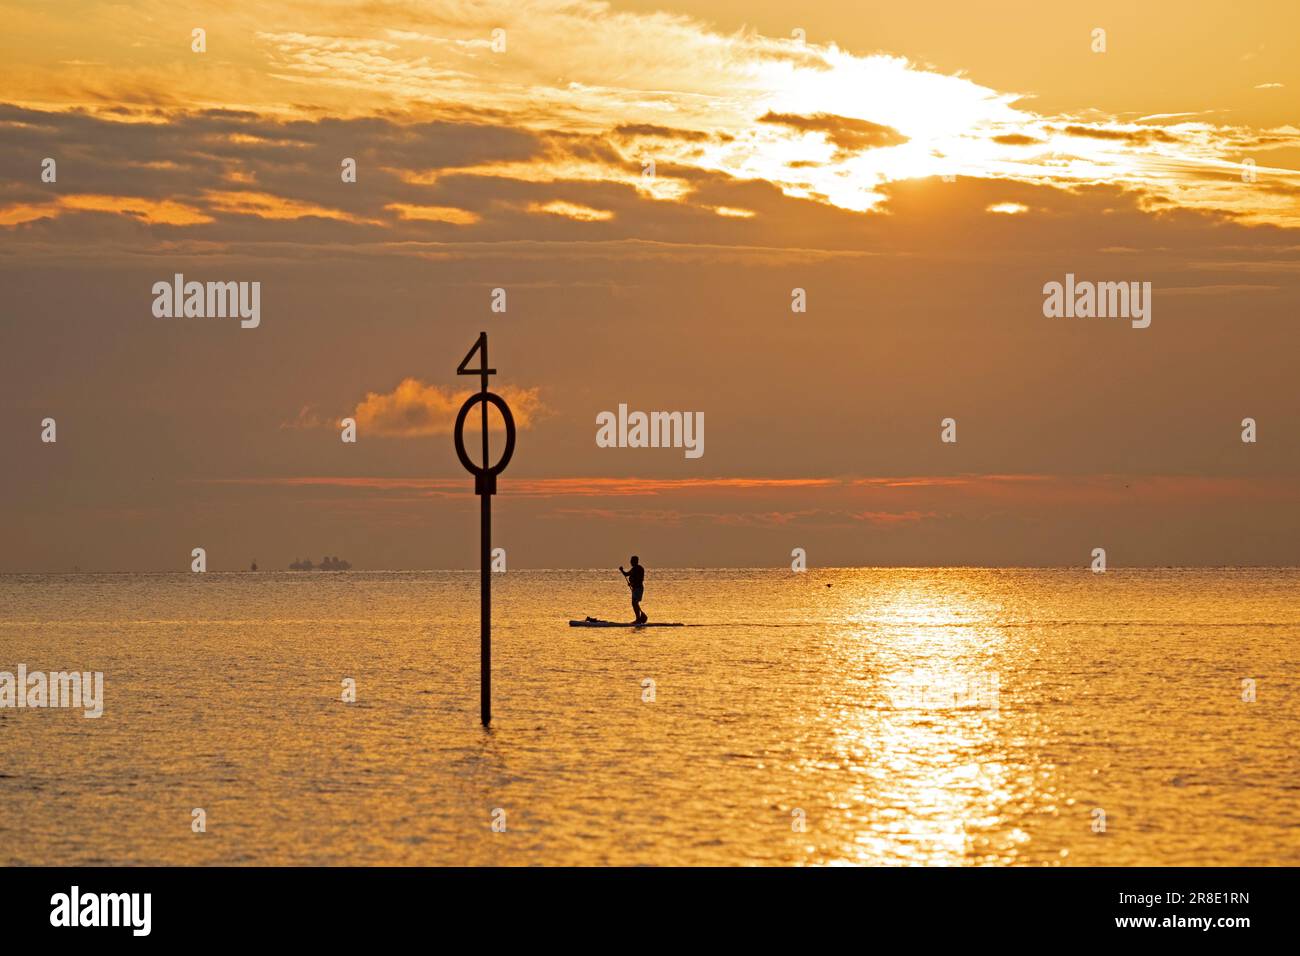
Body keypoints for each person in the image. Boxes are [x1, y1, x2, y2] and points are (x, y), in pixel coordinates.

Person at [619, 556, 647, 624]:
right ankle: (638, 618)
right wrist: (622, 570)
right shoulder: (634, 569)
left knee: (634, 603)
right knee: (634, 603)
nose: (630, 562)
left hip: (638, 589)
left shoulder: (638, 569)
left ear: (635, 561)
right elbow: (626, 574)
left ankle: (638, 619)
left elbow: (638, 579)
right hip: (635, 589)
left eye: (631, 561)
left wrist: (632, 583)